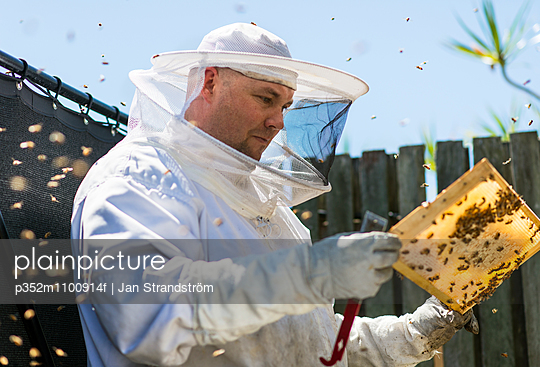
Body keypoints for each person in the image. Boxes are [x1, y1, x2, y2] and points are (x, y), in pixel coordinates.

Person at [71, 23, 478, 367]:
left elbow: (313, 340)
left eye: (286, 106)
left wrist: (419, 330)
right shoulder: (142, 177)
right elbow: (147, 316)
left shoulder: (266, 206)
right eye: (266, 98)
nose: (277, 122)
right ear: (211, 82)